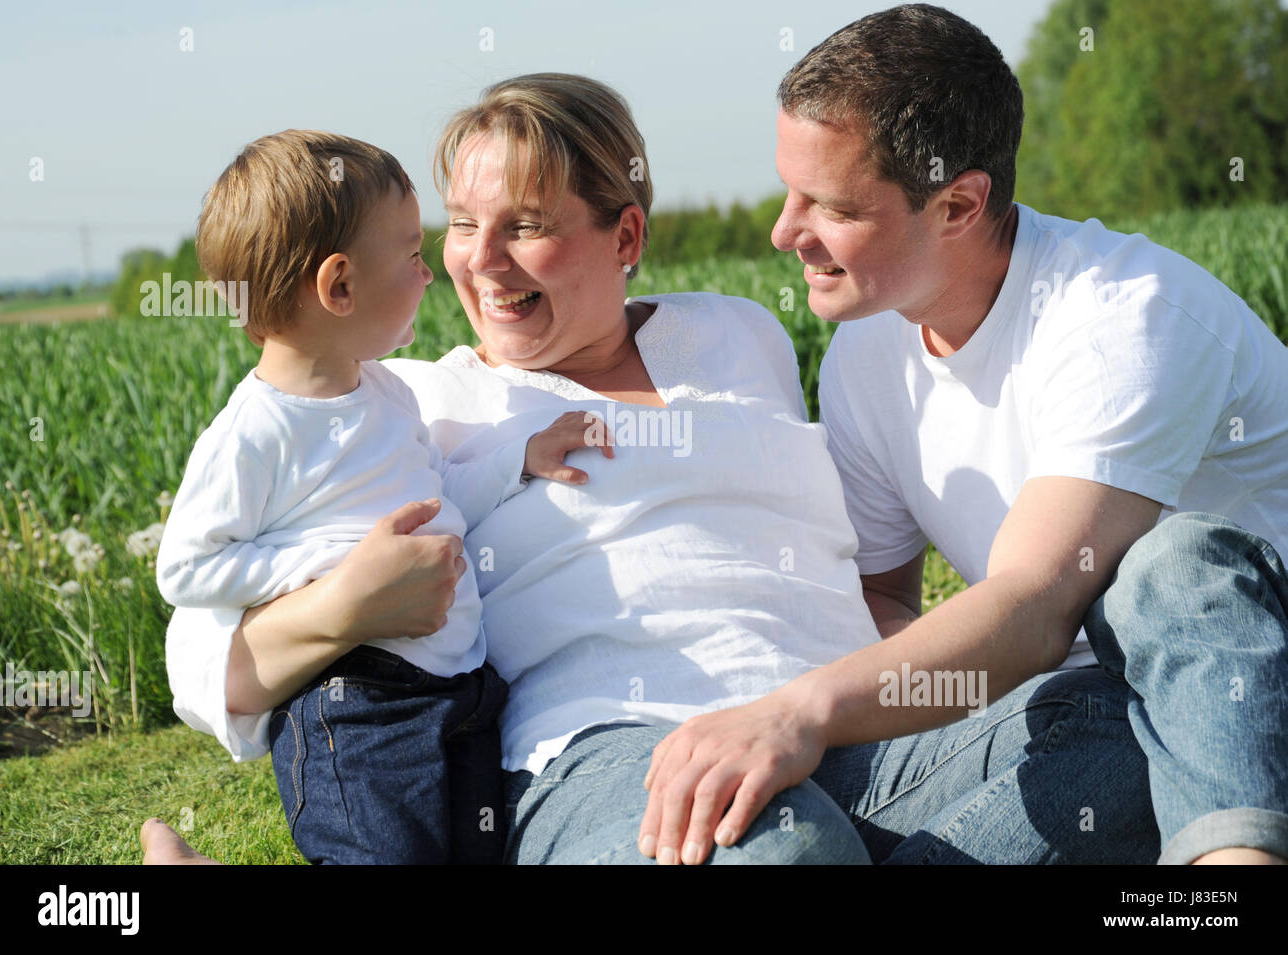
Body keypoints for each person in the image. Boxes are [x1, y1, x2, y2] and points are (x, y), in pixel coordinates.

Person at [144, 72, 1163, 867]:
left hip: (845, 727)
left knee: (1134, 738)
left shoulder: (739, 336)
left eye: (526, 226)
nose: (478, 260)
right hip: (620, 750)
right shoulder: (414, 400)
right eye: (461, 225)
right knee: (777, 846)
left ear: (623, 232)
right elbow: (199, 650)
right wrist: (344, 609)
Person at [639, 4, 1288, 866]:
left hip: (1245, 687)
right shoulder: (865, 352)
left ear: (958, 204)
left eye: (829, 205)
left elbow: (1032, 609)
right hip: (1090, 711)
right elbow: (880, 607)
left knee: (1168, 568)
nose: (784, 231)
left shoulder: (1124, 319)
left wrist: (800, 710)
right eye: (789, 190)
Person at [155, 129, 613, 863]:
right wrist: (335, 573)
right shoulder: (256, 432)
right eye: (410, 256)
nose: (429, 274)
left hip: (458, 686)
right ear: (339, 287)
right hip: (357, 700)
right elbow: (186, 569)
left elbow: (436, 498)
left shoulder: (387, 393)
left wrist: (516, 460)